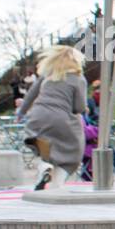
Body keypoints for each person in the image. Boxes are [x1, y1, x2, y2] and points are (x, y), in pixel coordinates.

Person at [19, 44, 87, 190]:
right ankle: (58, 184)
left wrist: (21, 112)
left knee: (41, 145)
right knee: (73, 152)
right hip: (62, 118)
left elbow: (31, 94)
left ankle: (44, 166)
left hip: (38, 116)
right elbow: (79, 108)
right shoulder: (78, 78)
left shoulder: (48, 74)